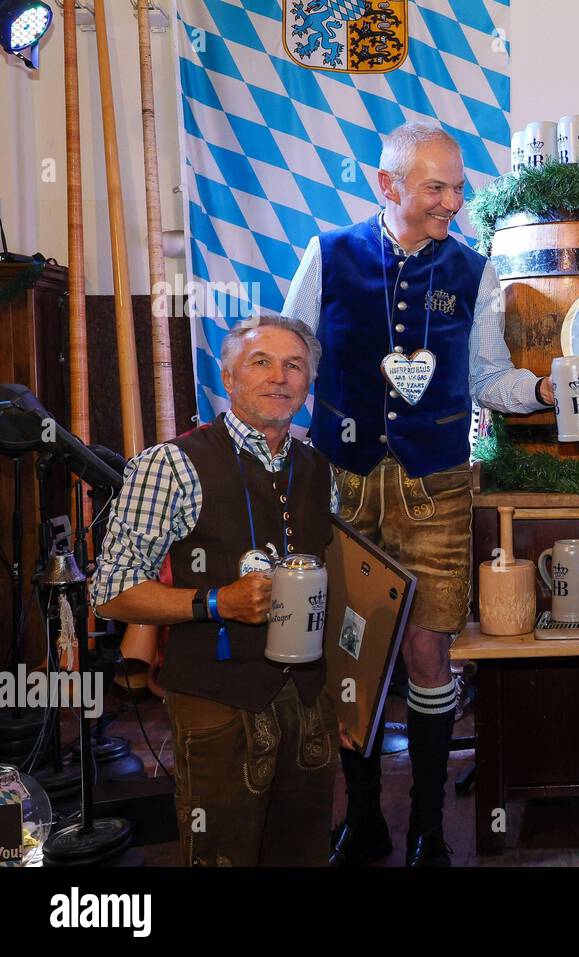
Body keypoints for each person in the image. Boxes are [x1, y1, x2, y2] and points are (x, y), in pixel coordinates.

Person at [282, 122, 553, 867]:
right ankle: (363, 820)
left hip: (436, 489)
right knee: (354, 656)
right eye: (437, 187)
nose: (453, 202)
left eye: (459, 187)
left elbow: (489, 379)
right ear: (387, 184)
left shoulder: (475, 270)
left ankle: (427, 829)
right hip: (344, 485)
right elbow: (292, 353)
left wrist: (544, 389)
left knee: (432, 654)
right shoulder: (329, 255)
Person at [91, 314, 338, 866]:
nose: (279, 376)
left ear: (308, 383)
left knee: (302, 851)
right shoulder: (170, 464)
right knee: (222, 853)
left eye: (294, 365)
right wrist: (212, 602)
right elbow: (109, 591)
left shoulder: (319, 468)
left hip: (308, 704)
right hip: (217, 703)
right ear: (227, 379)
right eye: (261, 362)